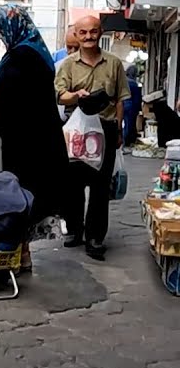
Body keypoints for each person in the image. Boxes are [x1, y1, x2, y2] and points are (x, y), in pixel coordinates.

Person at [0, 4, 66, 266]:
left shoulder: (23, 55)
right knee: (23, 192)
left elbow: (13, 97)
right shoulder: (33, 49)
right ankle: (20, 253)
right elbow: (18, 87)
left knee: (15, 193)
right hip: (35, 137)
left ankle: (15, 254)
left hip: (23, 141)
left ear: (12, 26)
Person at [56, 14, 130, 261]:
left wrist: (119, 129)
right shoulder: (67, 65)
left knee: (100, 186)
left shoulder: (114, 63)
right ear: (77, 35)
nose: (88, 36)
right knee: (72, 185)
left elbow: (121, 98)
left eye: (93, 32)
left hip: (106, 130)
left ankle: (95, 237)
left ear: (100, 33)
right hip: (76, 132)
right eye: (83, 32)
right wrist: (77, 95)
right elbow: (59, 96)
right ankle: (75, 230)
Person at [124, 64, 142, 146]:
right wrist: (138, 109)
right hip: (130, 106)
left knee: (122, 123)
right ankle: (125, 141)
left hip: (122, 104)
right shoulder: (134, 83)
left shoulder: (123, 81)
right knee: (128, 124)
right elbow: (137, 99)